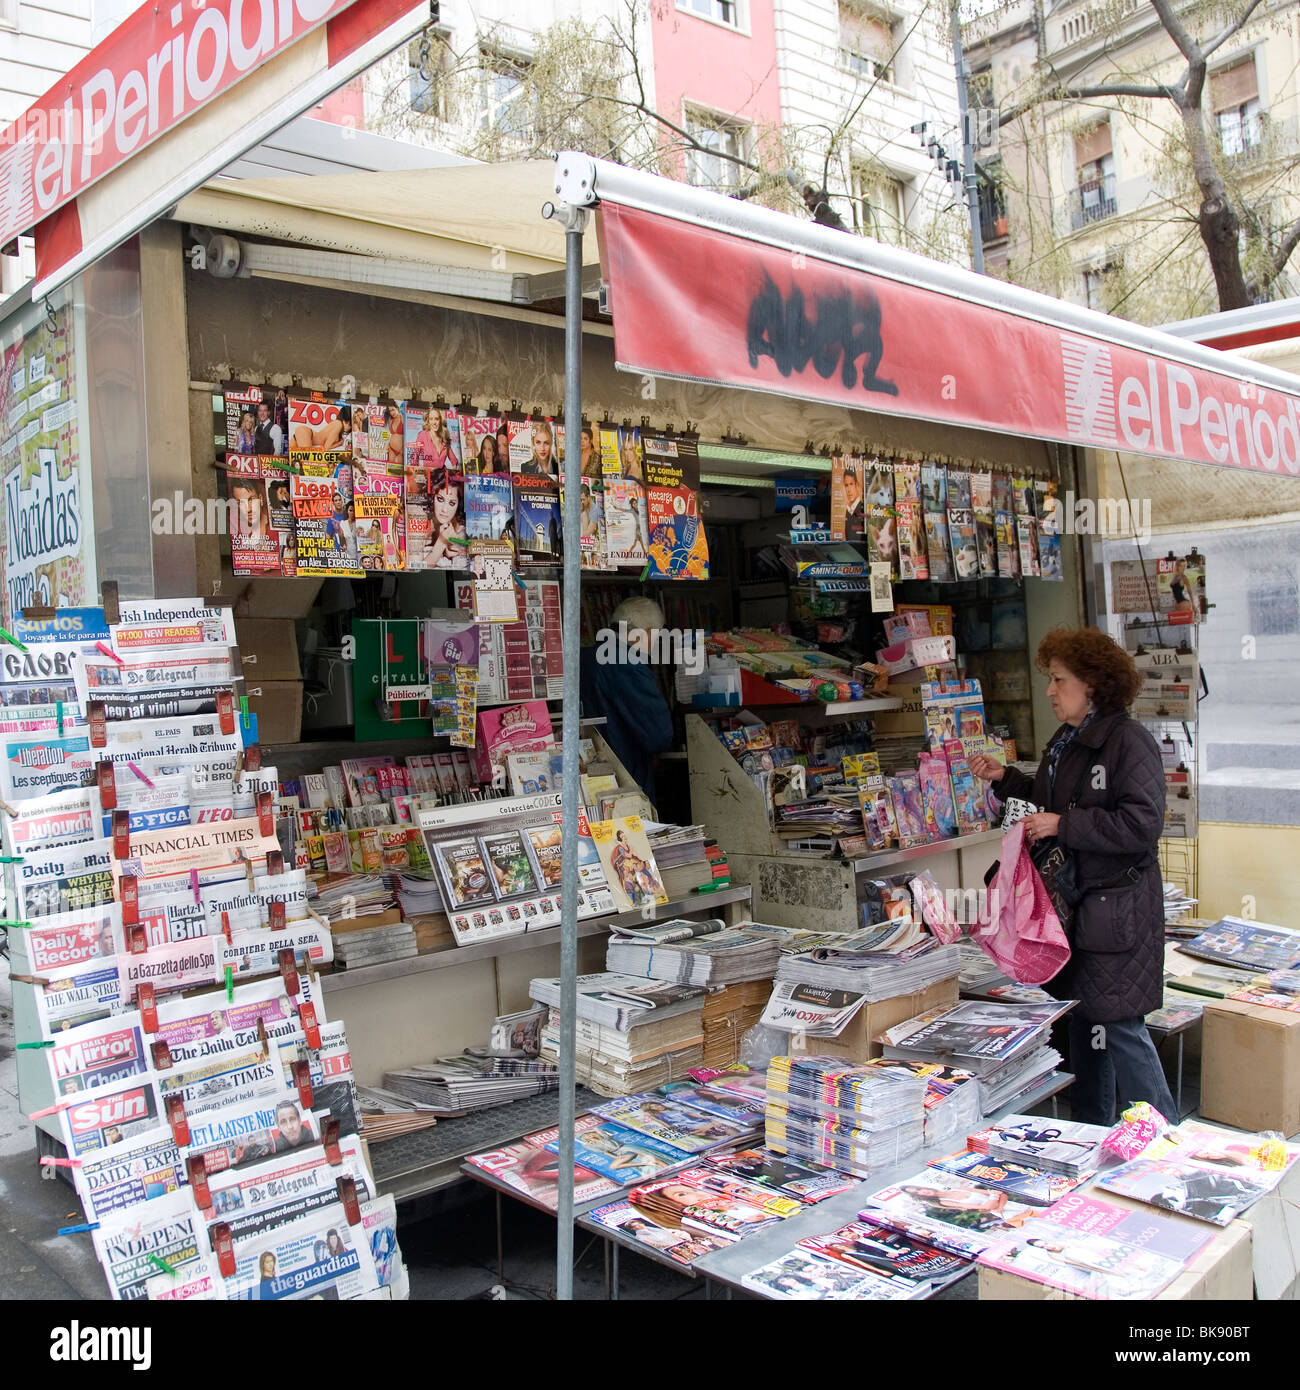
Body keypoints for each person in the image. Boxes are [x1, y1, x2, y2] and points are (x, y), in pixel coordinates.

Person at [969, 626, 1176, 1127]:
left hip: (1116, 909)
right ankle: (1091, 1130)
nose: (1050, 691)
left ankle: (1168, 1137)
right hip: (1078, 909)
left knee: (1120, 1025)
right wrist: (1008, 779)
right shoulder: (1068, 740)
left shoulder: (1128, 741)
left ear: (1092, 684)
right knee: (1086, 1022)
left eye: (1059, 680)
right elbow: (1055, 798)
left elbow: (1142, 824)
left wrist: (1066, 825)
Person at [578, 596, 674, 803]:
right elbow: (658, 735)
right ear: (646, 633)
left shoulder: (583, 659)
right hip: (625, 778)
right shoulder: (628, 664)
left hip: (586, 773)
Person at [427, 469, 467, 569]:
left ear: (458, 504)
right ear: (432, 497)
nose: (445, 509)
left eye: (452, 503)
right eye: (440, 499)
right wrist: (442, 542)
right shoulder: (422, 521)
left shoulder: (461, 529)